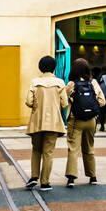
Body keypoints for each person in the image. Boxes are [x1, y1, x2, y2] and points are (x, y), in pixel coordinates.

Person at [23, 55, 68, 191]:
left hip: (37, 121)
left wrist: (37, 105)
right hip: (53, 123)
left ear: (40, 67)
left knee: (36, 150)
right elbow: (65, 103)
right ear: (54, 68)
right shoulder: (60, 83)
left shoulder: (34, 82)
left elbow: (29, 102)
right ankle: (45, 182)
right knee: (48, 152)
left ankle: (33, 177)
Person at [64, 58, 104, 189]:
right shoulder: (93, 83)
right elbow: (102, 101)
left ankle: (71, 178)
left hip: (76, 120)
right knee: (89, 148)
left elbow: (64, 100)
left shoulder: (71, 84)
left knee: (73, 149)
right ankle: (93, 177)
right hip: (91, 120)